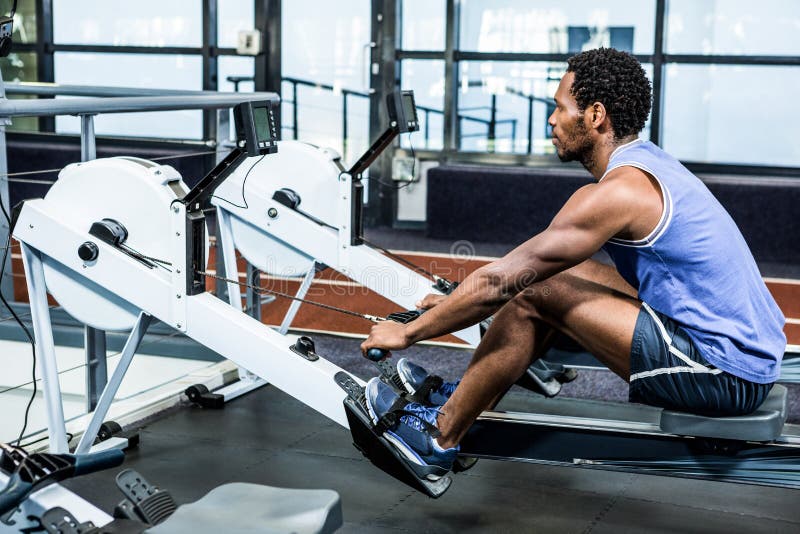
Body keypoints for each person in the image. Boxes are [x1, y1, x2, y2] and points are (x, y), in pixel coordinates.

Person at [359, 47, 787, 478]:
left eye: (559, 107)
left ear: (595, 115)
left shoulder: (618, 192)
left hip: (725, 373)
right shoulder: (648, 163)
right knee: (554, 278)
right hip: (740, 352)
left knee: (534, 292)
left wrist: (408, 331)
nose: (551, 119)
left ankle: (439, 437)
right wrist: (456, 304)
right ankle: (468, 404)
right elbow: (526, 267)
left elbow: (507, 281)